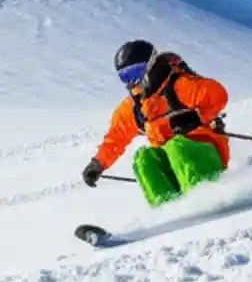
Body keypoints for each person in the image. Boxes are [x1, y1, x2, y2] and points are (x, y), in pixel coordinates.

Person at [82, 40, 230, 206]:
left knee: (177, 147)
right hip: (174, 163)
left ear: (151, 65)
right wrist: (98, 164)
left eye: (135, 73)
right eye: (125, 77)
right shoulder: (136, 106)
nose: (132, 82)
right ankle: (166, 207)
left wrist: (197, 117)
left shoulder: (177, 86)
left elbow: (219, 95)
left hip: (204, 152)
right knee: (144, 159)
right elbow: (116, 136)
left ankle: (204, 198)